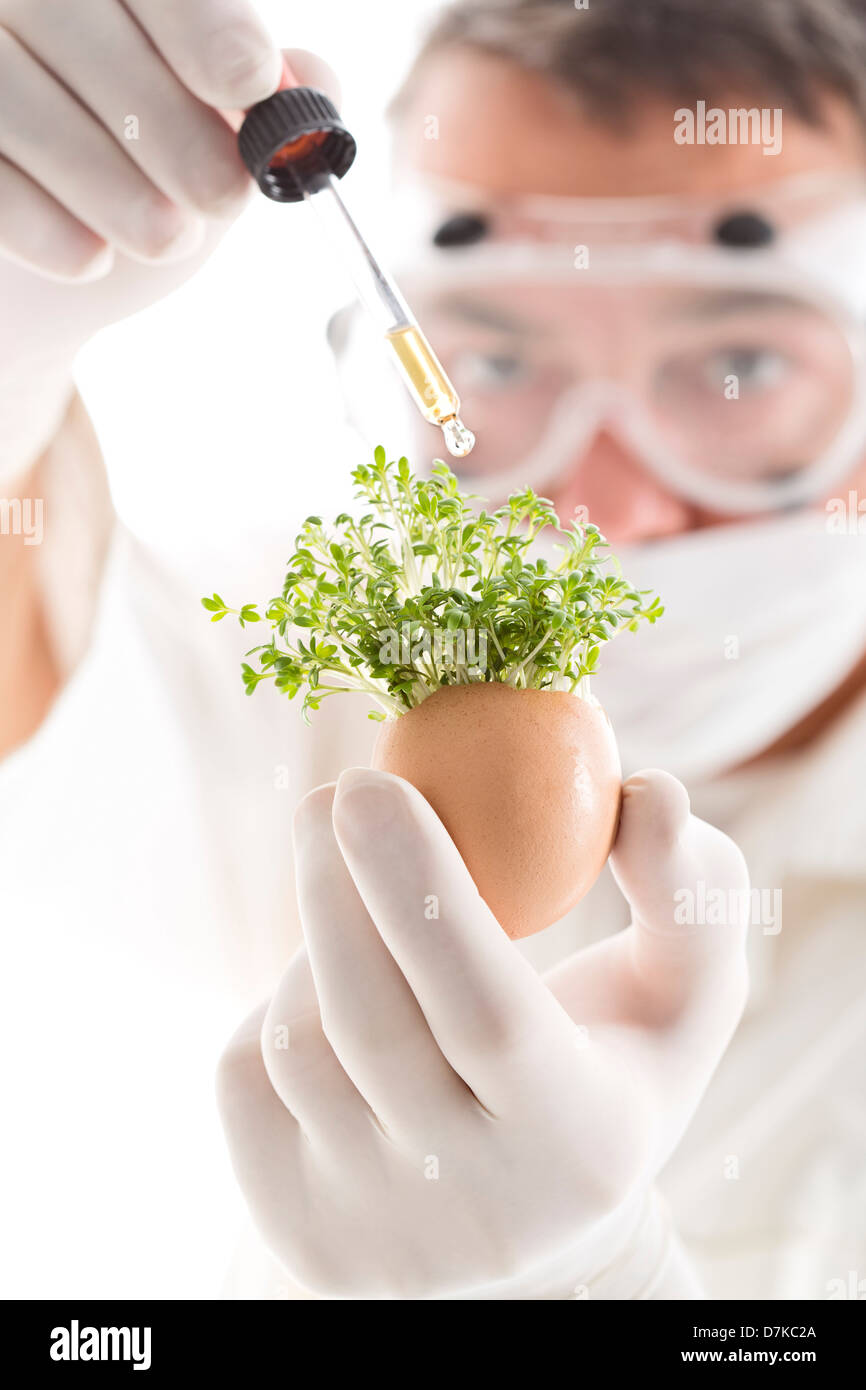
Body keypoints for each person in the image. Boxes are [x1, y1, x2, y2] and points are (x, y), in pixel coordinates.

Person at [0, 0, 863, 1300]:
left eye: (735, 361)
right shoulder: (347, 671)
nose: (598, 514)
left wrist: (592, 1280)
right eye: (501, 356)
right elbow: (52, 718)